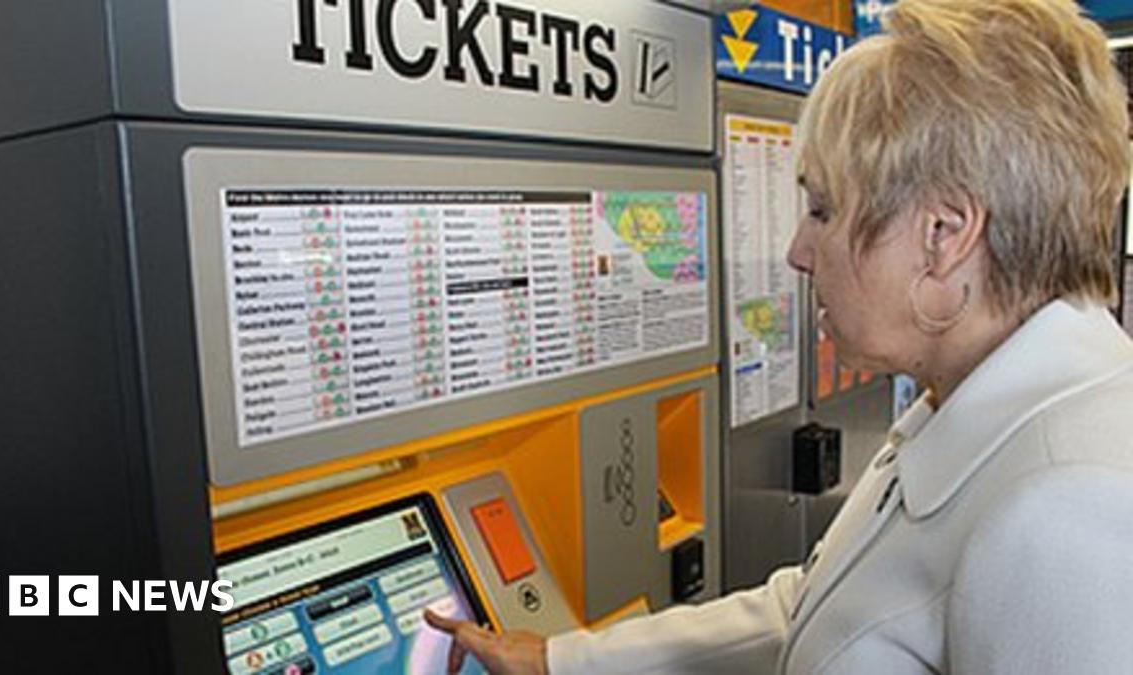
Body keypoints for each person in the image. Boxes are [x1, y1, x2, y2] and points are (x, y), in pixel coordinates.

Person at [426, 0, 1133, 671]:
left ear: (943, 234)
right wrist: (559, 659)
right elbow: (815, 602)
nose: (798, 249)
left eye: (823, 209)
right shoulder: (960, 408)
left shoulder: (1068, 506)